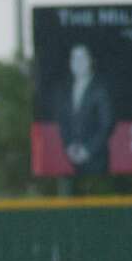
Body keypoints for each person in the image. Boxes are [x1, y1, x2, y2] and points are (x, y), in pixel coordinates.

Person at [53, 43, 114, 175]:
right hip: (72, 159)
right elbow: (63, 121)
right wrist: (68, 146)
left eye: (82, 58)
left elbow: (107, 125)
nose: (77, 62)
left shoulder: (101, 89)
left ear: (90, 61)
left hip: (96, 160)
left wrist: (88, 150)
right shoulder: (64, 89)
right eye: (74, 58)